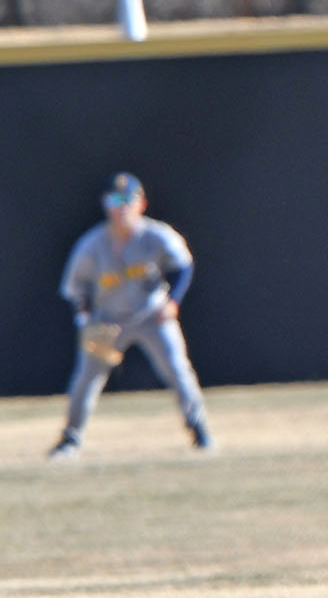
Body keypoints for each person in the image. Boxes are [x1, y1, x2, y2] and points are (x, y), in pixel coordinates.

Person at [48, 173, 214, 459]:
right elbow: (77, 289)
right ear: (105, 205)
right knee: (87, 378)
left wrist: (172, 302)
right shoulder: (92, 244)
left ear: (142, 203)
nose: (121, 206)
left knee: (177, 368)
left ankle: (200, 432)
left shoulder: (156, 236)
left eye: (127, 199)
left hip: (151, 315)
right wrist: (85, 318)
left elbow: (183, 266)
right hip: (108, 320)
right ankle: (70, 440)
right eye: (114, 200)